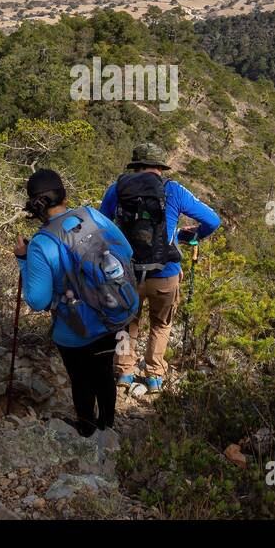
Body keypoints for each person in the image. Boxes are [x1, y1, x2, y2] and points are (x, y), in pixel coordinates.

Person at [15, 168, 140, 436]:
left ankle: (87, 431)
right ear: (64, 194)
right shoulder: (92, 215)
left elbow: (38, 300)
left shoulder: (40, 243)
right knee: (105, 372)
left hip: (75, 330)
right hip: (112, 312)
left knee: (82, 381)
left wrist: (23, 260)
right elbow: (127, 251)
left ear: (34, 205)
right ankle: (108, 427)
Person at [100, 143, 221, 394]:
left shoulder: (118, 189)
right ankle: (154, 375)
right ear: (160, 166)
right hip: (165, 273)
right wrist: (189, 236)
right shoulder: (173, 190)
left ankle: (124, 371)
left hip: (127, 273)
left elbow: (102, 223)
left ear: (136, 165)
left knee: (126, 322)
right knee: (161, 324)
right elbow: (213, 220)